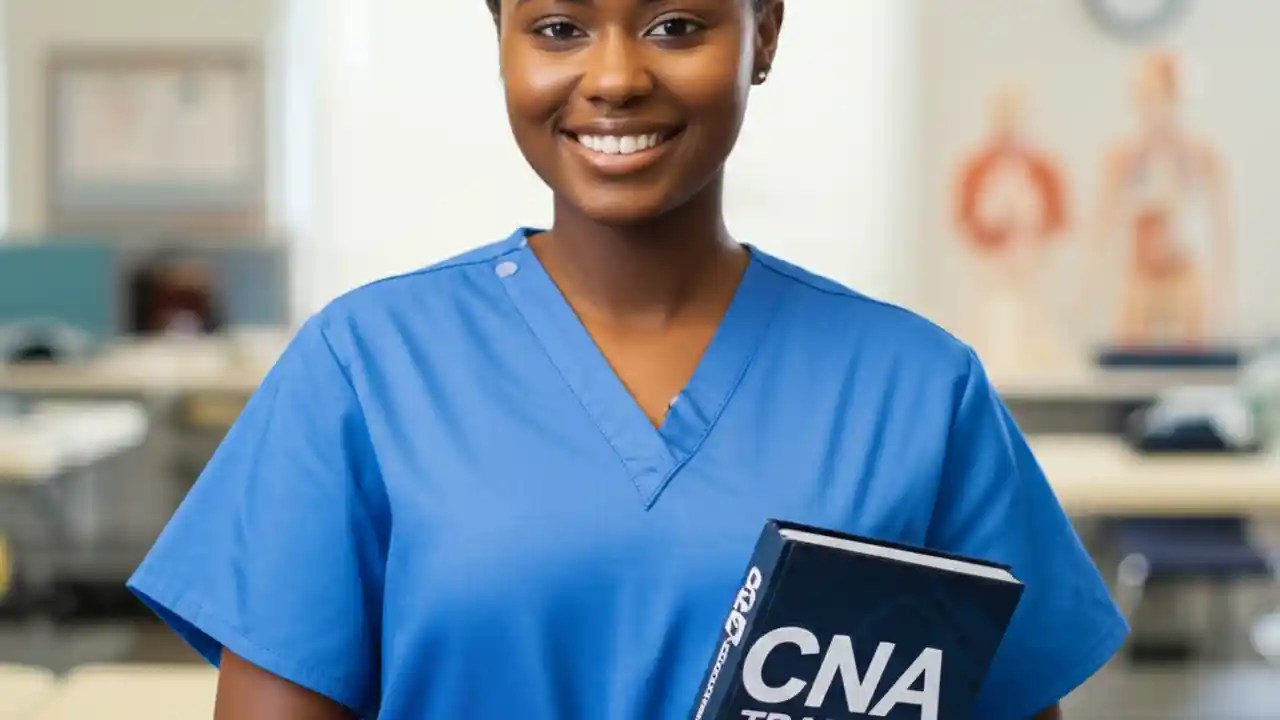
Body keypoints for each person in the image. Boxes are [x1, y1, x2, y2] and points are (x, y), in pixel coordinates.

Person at [128, 1, 1127, 718]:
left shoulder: (916, 393)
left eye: (675, 26)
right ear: (501, 39)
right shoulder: (362, 369)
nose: (612, 77)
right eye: (558, 28)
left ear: (764, 32)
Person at [1091, 51, 1233, 347]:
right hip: (1140, 272)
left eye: (1156, 94)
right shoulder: (1123, 157)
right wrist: (1095, 282)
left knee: (1192, 350)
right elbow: (1102, 224)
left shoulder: (1201, 155)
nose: (1149, 105)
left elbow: (1220, 228)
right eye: (1143, 95)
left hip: (1184, 270)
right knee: (1132, 349)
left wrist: (1223, 288)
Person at [954, 82, 1071, 376]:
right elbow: (967, 218)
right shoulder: (977, 166)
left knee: (1033, 321)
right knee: (993, 319)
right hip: (991, 262)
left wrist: (1031, 237)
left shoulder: (1041, 166)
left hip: (1031, 260)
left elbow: (1056, 218)